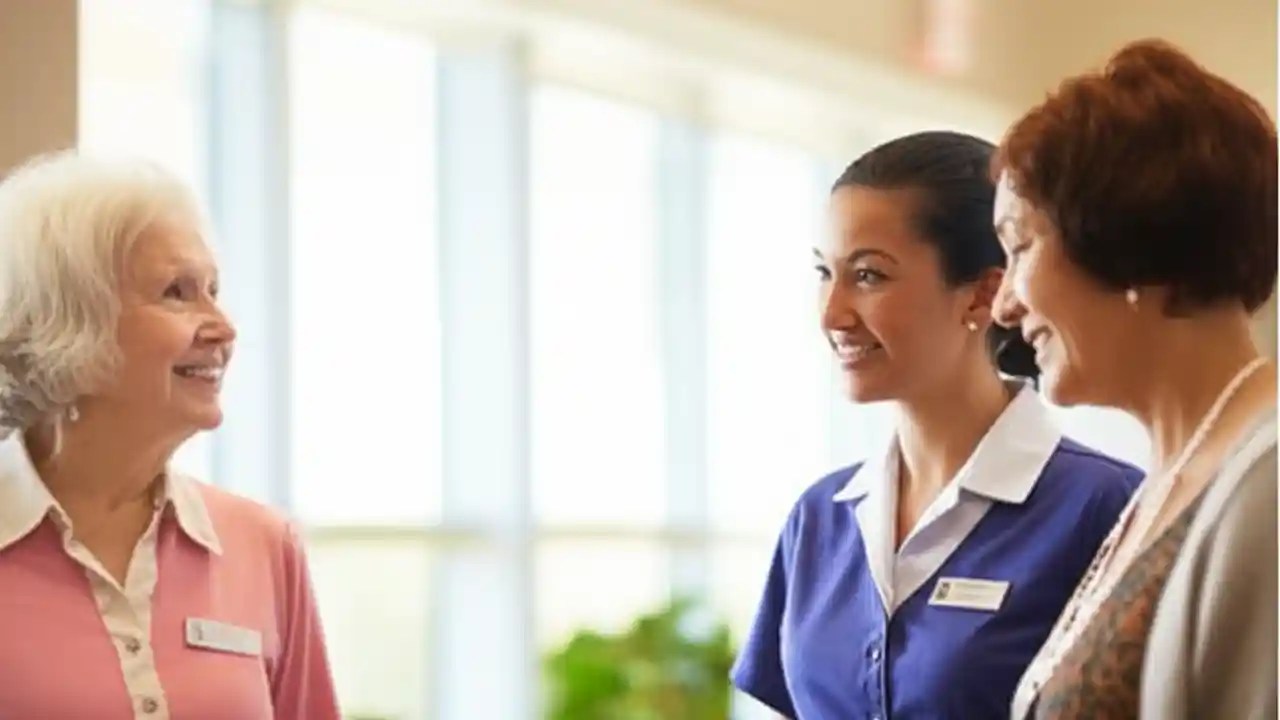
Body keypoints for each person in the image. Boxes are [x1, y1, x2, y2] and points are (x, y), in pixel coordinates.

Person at [730, 131, 1142, 719]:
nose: (832, 314)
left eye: (868, 276)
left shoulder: (1105, 509)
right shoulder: (819, 520)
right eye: (825, 272)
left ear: (983, 295)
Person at [992, 39, 1277, 720]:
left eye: (1020, 246)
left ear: (1128, 238)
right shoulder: (1167, 482)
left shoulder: (1268, 485)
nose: (1002, 306)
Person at [0, 152, 341, 718]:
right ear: (69, 320)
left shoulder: (264, 544)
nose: (224, 328)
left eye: (213, 290)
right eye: (177, 292)